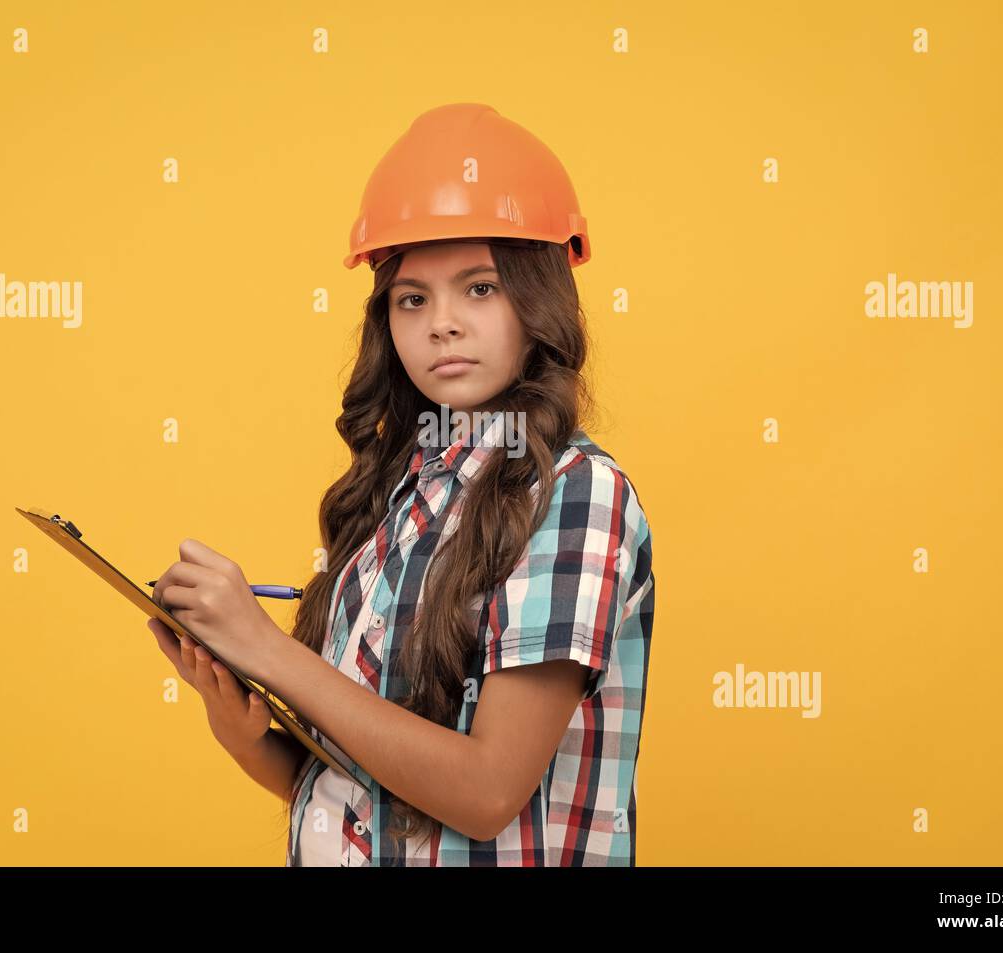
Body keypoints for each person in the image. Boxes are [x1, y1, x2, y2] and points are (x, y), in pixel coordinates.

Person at [146, 103, 654, 866]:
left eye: (479, 288)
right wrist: (247, 736)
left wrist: (272, 652)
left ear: (538, 300)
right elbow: (370, 800)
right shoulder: (404, 491)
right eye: (412, 298)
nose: (440, 323)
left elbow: (485, 795)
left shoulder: (575, 493)